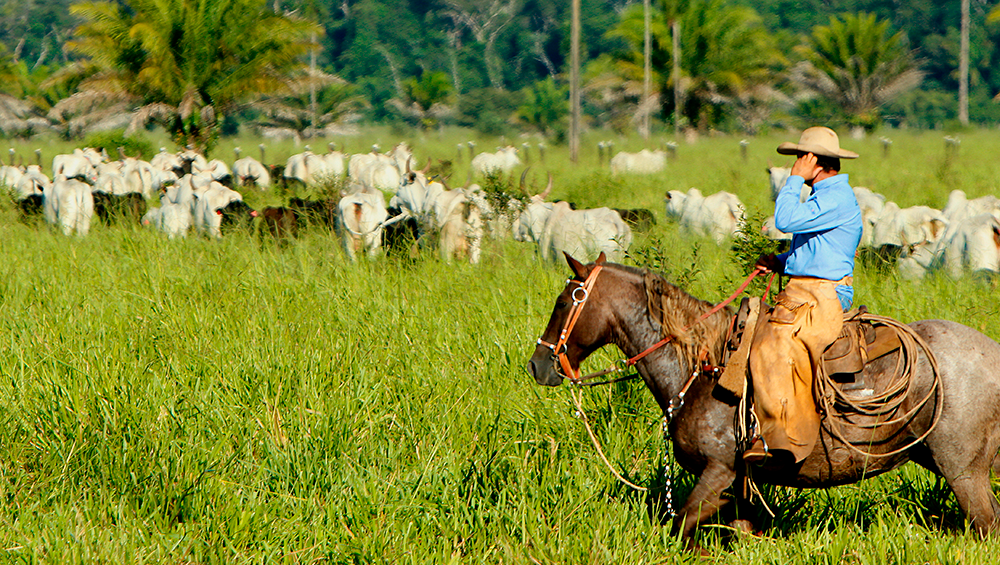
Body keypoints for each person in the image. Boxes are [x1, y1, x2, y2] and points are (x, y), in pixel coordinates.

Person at [743, 126, 863, 466]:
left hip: (823, 295)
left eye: (800, 157)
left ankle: (778, 438)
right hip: (804, 288)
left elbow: (784, 220)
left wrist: (793, 180)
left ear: (814, 161)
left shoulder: (834, 197)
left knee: (775, 342)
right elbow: (819, 251)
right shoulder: (825, 197)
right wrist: (781, 263)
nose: (795, 163)